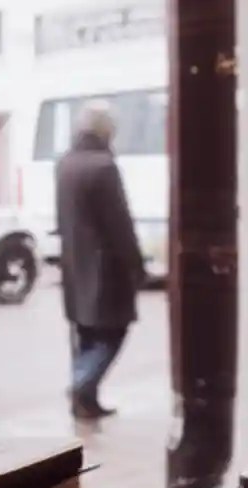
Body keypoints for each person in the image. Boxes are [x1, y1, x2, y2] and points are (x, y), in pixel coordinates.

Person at [55, 101, 147, 420]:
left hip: (74, 265)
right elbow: (120, 223)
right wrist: (136, 265)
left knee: (86, 335)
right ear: (106, 130)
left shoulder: (65, 164)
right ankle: (82, 384)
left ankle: (86, 402)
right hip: (105, 269)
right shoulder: (104, 167)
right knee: (113, 332)